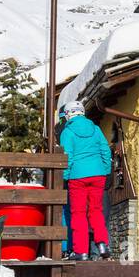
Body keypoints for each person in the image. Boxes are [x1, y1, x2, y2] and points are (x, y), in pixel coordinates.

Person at [58, 100, 113, 261]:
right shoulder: (96, 129)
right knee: (96, 211)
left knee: (78, 214)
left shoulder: (67, 132)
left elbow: (67, 157)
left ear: (68, 114)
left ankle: (81, 251)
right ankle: (103, 243)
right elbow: (105, 151)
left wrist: (66, 177)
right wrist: (104, 171)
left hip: (77, 176)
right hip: (98, 175)